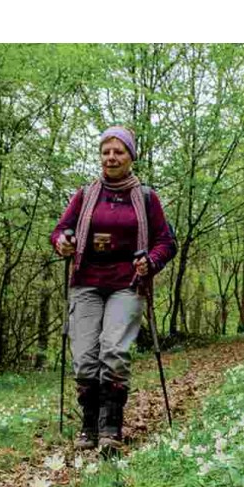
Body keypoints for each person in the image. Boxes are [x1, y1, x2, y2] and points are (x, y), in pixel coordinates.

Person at [51, 126, 177, 451]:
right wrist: (63, 242)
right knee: (84, 357)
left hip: (127, 283)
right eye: (106, 152)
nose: (111, 157)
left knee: (114, 351)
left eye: (118, 152)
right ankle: (89, 425)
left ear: (131, 157)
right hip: (86, 282)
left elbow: (166, 242)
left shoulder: (146, 197)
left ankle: (110, 427)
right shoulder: (85, 194)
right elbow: (61, 230)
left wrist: (151, 261)